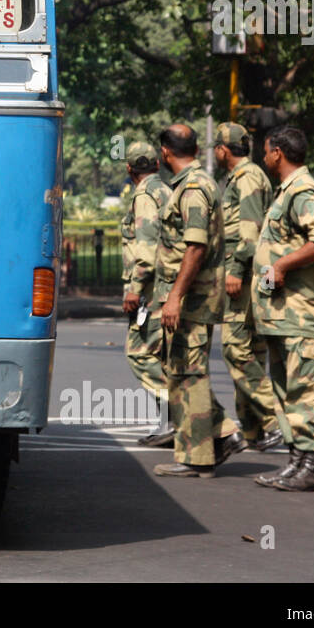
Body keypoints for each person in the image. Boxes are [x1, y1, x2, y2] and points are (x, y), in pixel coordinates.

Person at [152, 124, 245, 477]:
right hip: (192, 299)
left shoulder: (192, 188)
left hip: (192, 300)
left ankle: (195, 458)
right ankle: (220, 436)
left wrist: (174, 297)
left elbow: (195, 247)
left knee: (189, 374)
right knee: (183, 372)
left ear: (165, 152)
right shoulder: (198, 183)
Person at [253, 125, 314, 492]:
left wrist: (282, 265)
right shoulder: (286, 191)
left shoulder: (302, 189)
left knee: (307, 390)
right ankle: (296, 463)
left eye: (266, 150)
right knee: (288, 391)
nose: (264, 155)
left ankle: (312, 467)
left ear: (278, 154)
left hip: (301, 314)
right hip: (283, 315)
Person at [213, 122, 281, 451]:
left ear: (223, 150)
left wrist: (236, 269)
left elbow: (250, 234)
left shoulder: (248, 178)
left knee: (235, 349)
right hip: (251, 276)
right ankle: (255, 431)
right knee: (252, 351)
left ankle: (273, 418)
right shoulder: (243, 177)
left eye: (216, 147)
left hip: (246, 276)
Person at [119, 141, 174, 446]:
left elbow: (147, 248)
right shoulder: (166, 190)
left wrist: (134, 289)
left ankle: (178, 413)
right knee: (162, 357)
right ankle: (168, 424)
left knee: (139, 353)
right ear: (155, 165)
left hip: (151, 291)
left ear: (129, 169)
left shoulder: (145, 195)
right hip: (167, 287)